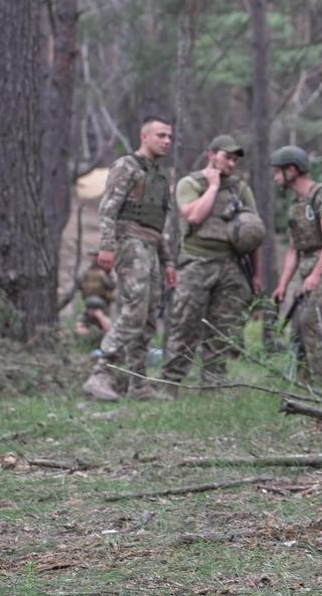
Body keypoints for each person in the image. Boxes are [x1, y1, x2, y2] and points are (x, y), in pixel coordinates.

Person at [81, 117, 179, 402]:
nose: (167, 141)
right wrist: (107, 246)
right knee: (134, 311)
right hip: (129, 244)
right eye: (161, 135)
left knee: (148, 318)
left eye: (169, 137)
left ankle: (138, 384)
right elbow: (108, 208)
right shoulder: (126, 166)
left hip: (151, 249)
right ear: (144, 136)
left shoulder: (159, 179)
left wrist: (169, 262)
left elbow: (158, 226)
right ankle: (100, 373)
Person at [160, 135, 265, 391]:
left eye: (235, 160)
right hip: (195, 263)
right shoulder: (190, 183)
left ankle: (213, 385)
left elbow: (253, 233)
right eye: (226, 157)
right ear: (211, 154)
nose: (231, 163)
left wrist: (256, 276)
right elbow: (194, 216)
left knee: (222, 331)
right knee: (185, 326)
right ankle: (169, 384)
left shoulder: (241, 189)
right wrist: (213, 186)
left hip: (230, 266)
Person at [271, 145, 322, 393]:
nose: (275, 177)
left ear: (291, 170)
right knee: (299, 331)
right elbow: (294, 249)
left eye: (278, 172)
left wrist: (316, 275)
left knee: (313, 327)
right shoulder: (296, 204)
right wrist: (283, 285)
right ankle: (306, 391)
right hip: (307, 273)